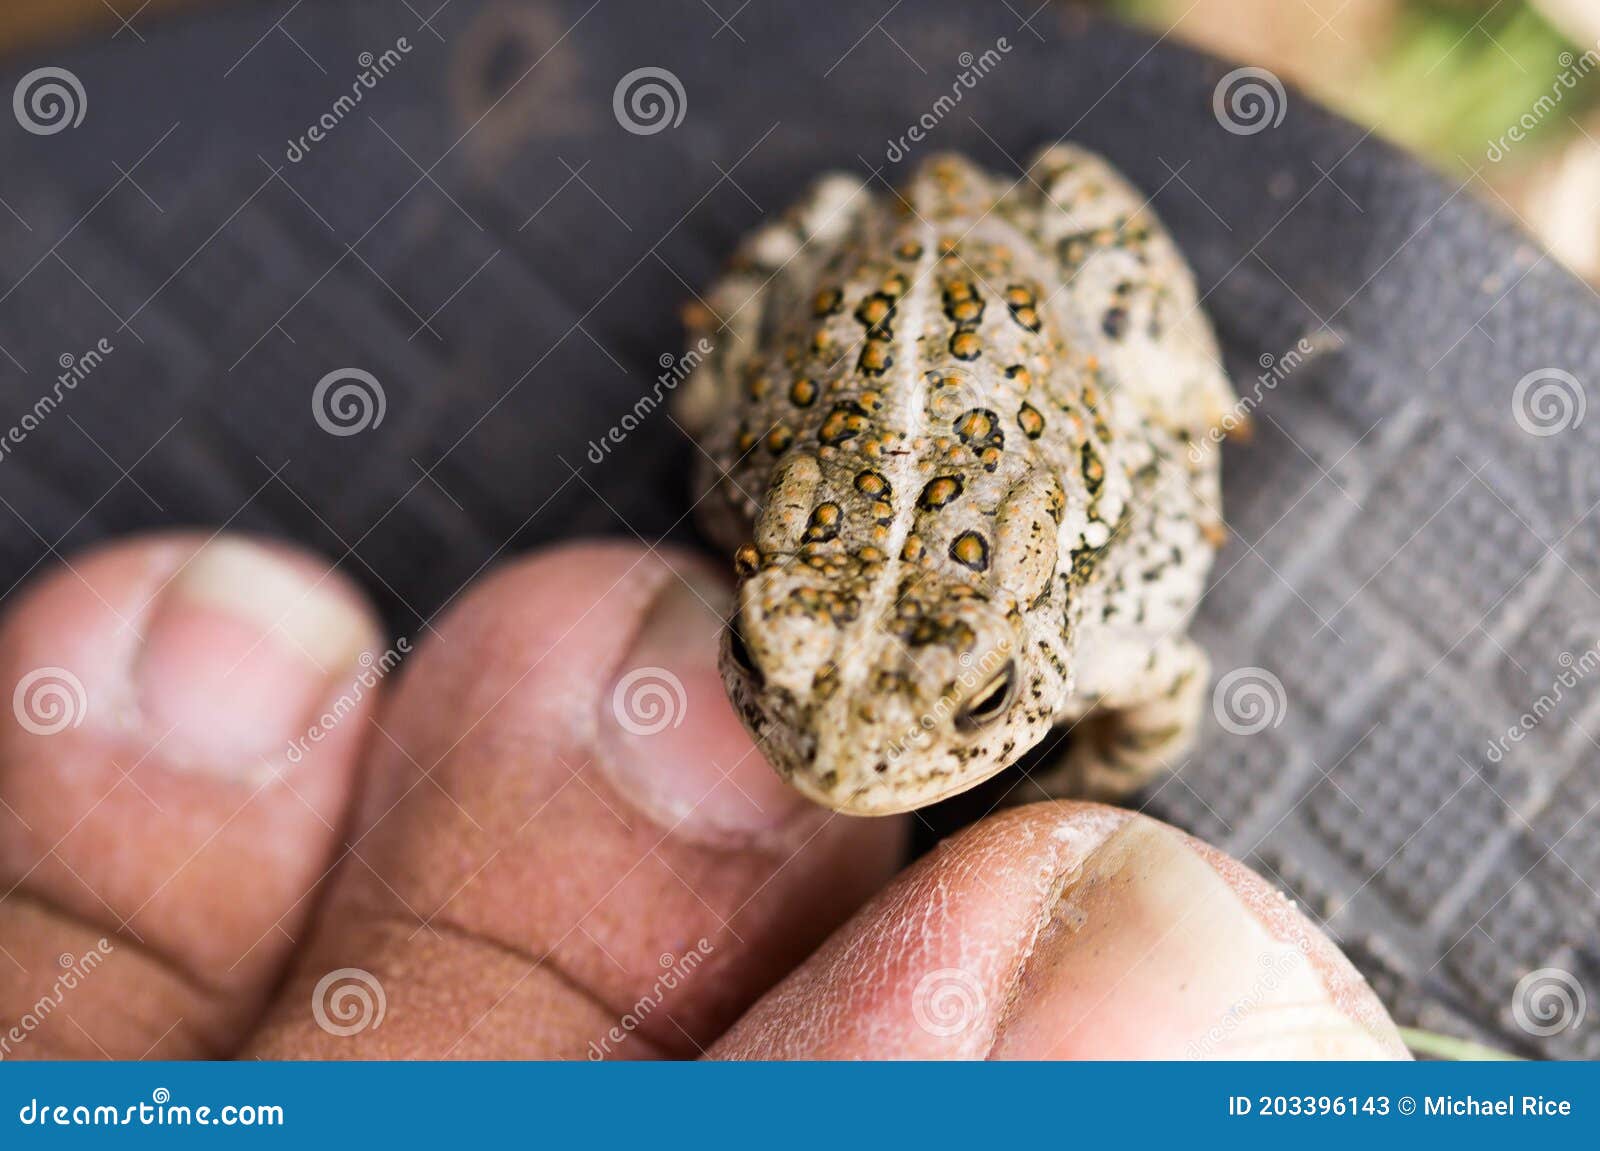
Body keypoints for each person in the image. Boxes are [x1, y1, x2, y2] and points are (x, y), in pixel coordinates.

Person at [0, 535, 1405, 1059]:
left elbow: (1156, 670)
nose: (843, 774)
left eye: (973, 706)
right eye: (768, 661)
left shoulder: (1096, 621)